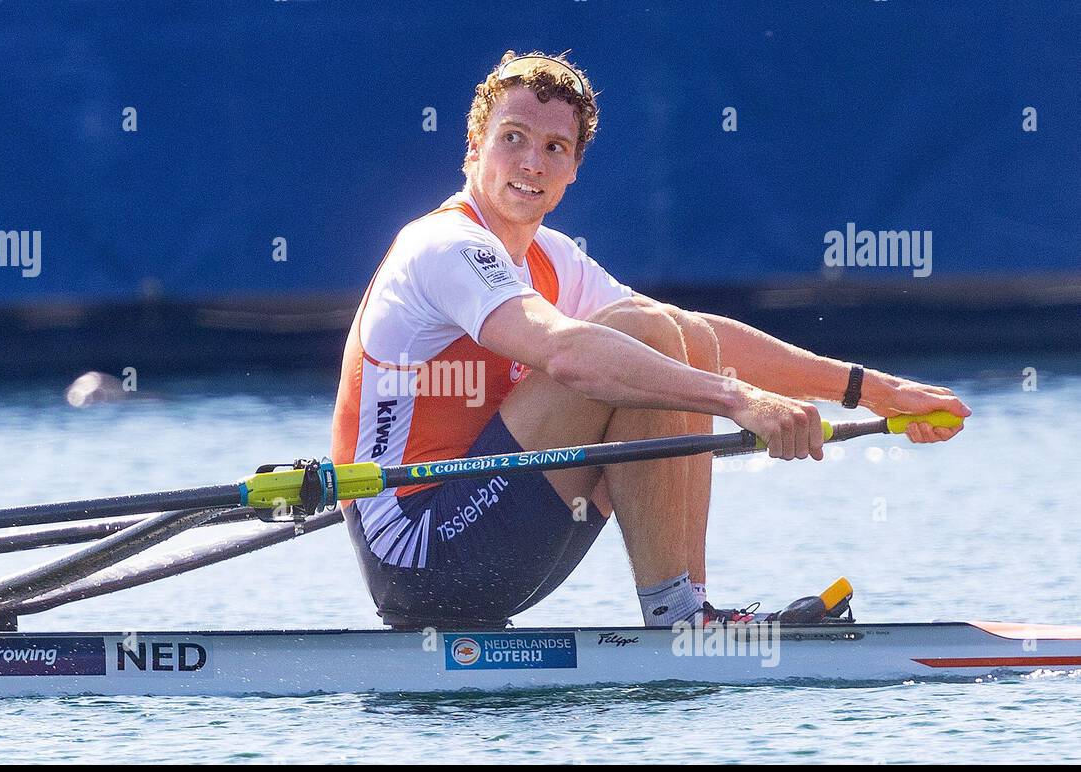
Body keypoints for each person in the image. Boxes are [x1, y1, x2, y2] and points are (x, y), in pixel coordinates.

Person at [330, 50, 969, 631]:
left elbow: (699, 337)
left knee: (681, 334)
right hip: (417, 553)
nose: (532, 162)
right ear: (473, 149)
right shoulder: (443, 247)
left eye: (555, 147)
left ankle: (688, 604)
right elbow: (566, 354)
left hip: (489, 527)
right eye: (513, 139)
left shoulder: (550, 256)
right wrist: (741, 402)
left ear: (574, 168)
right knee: (640, 338)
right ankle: (678, 616)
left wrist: (870, 388)